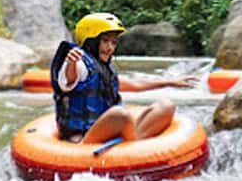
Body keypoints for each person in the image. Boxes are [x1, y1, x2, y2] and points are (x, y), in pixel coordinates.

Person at [51, 12, 197, 144]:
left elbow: (134, 84)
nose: (110, 47)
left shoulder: (105, 68)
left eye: (114, 42)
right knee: (119, 114)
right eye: (105, 41)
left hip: (112, 131)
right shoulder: (79, 63)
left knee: (166, 106)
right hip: (85, 136)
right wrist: (71, 63)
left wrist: (170, 82)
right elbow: (69, 80)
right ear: (91, 41)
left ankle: (132, 148)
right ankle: (133, 148)